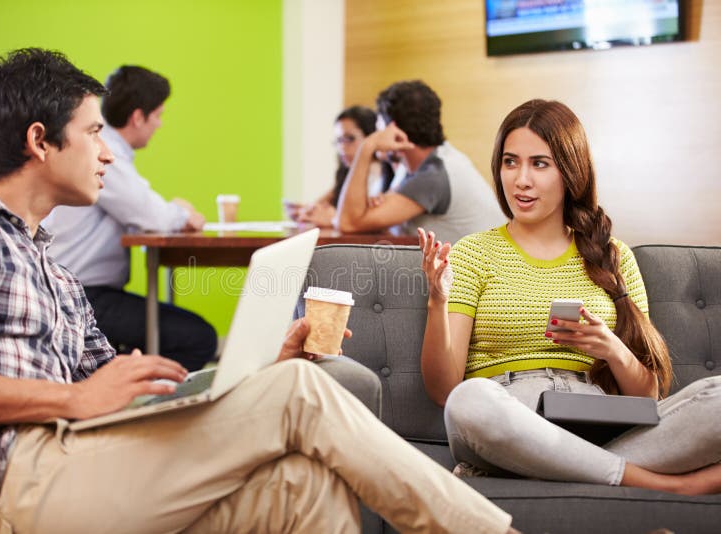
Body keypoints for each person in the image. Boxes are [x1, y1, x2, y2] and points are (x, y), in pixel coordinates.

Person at [0, 48, 517, 534]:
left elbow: (140, 399)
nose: (106, 153)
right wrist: (72, 401)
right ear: (39, 141)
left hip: (83, 454)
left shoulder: (59, 275)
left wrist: (255, 373)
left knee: (302, 485)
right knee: (302, 390)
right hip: (6, 477)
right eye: (92, 133)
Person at [418, 98, 721, 495]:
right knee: (468, 401)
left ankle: (536, 470)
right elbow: (445, 390)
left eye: (539, 164)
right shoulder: (474, 252)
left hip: (603, 429)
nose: (521, 180)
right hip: (507, 417)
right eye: (511, 162)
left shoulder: (614, 256)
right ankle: (657, 485)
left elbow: (649, 396)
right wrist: (438, 301)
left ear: (570, 172)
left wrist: (613, 350)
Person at [43, 65, 216, 371]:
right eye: (158, 115)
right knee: (199, 337)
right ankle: (140, 400)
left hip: (85, 290)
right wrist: (183, 213)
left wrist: (170, 211)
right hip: (81, 295)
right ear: (138, 117)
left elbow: (142, 208)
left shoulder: (109, 153)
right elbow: (153, 216)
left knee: (181, 331)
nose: (160, 124)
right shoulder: (106, 153)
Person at [336, 80, 505, 241]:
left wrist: (367, 146)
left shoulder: (435, 174)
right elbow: (366, 220)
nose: (376, 134)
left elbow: (347, 222)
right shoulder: (432, 161)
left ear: (393, 129)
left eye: (378, 128)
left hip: (487, 270)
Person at [291, 105, 393, 228]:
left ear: (372, 136)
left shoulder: (387, 174)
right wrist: (306, 211)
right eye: (339, 140)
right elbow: (321, 204)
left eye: (350, 138)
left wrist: (335, 218)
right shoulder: (346, 174)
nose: (342, 147)